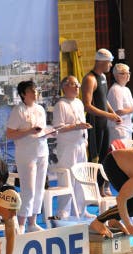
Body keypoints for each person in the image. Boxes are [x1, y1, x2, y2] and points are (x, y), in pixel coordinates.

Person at [6, 80, 49, 232]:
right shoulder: (19, 111)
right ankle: (21, 224)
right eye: (31, 90)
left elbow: (42, 130)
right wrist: (29, 131)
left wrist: (50, 132)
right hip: (26, 154)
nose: (35, 92)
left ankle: (32, 222)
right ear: (24, 94)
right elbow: (9, 133)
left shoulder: (40, 109)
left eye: (35, 90)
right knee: (28, 189)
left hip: (42, 151)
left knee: (39, 188)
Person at [82, 49, 121, 192]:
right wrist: (108, 115)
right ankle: (92, 190)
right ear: (101, 61)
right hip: (94, 124)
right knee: (94, 158)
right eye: (109, 62)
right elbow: (87, 105)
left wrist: (112, 113)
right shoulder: (90, 79)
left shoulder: (103, 77)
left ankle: (102, 187)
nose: (111, 65)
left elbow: (103, 99)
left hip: (103, 124)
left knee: (105, 156)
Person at [53, 76, 92, 218]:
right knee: (67, 177)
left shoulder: (79, 103)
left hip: (80, 144)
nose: (77, 87)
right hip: (68, 146)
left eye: (77, 84)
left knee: (82, 177)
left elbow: (83, 123)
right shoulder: (60, 105)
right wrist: (76, 126)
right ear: (65, 87)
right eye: (73, 85)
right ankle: (64, 211)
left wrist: (85, 138)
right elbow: (58, 128)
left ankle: (80, 209)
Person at [107, 63, 133, 145]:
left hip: (128, 128)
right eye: (123, 73)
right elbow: (118, 111)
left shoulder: (126, 89)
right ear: (116, 76)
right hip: (119, 129)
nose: (127, 75)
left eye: (128, 72)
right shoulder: (115, 89)